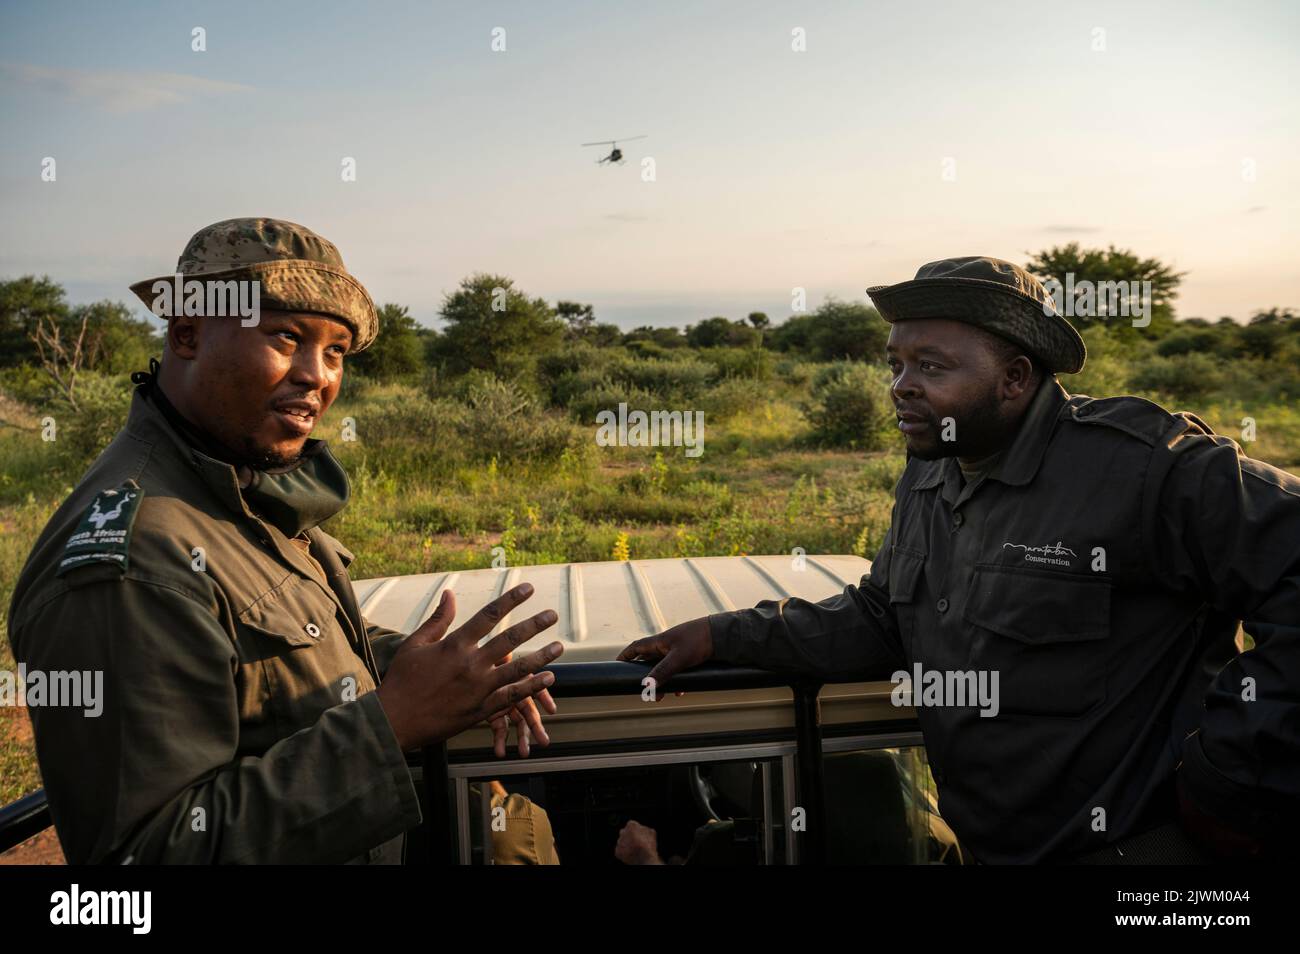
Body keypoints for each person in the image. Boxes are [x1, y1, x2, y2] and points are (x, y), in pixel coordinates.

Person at [620, 256, 1300, 864]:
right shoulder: (932, 472)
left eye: (932, 367)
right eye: (896, 364)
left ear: (1013, 378)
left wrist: (1234, 778)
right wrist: (725, 635)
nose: (901, 386)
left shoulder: (1141, 466)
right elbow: (882, 616)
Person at [7, 218, 563, 864]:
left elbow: (284, 653)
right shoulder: (133, 559)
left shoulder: (233, 483)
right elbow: (146, 857)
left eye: (335, 352)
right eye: (286, 338)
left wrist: (433, 667)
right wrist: (393, 724)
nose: (316, 376)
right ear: (187, 333)